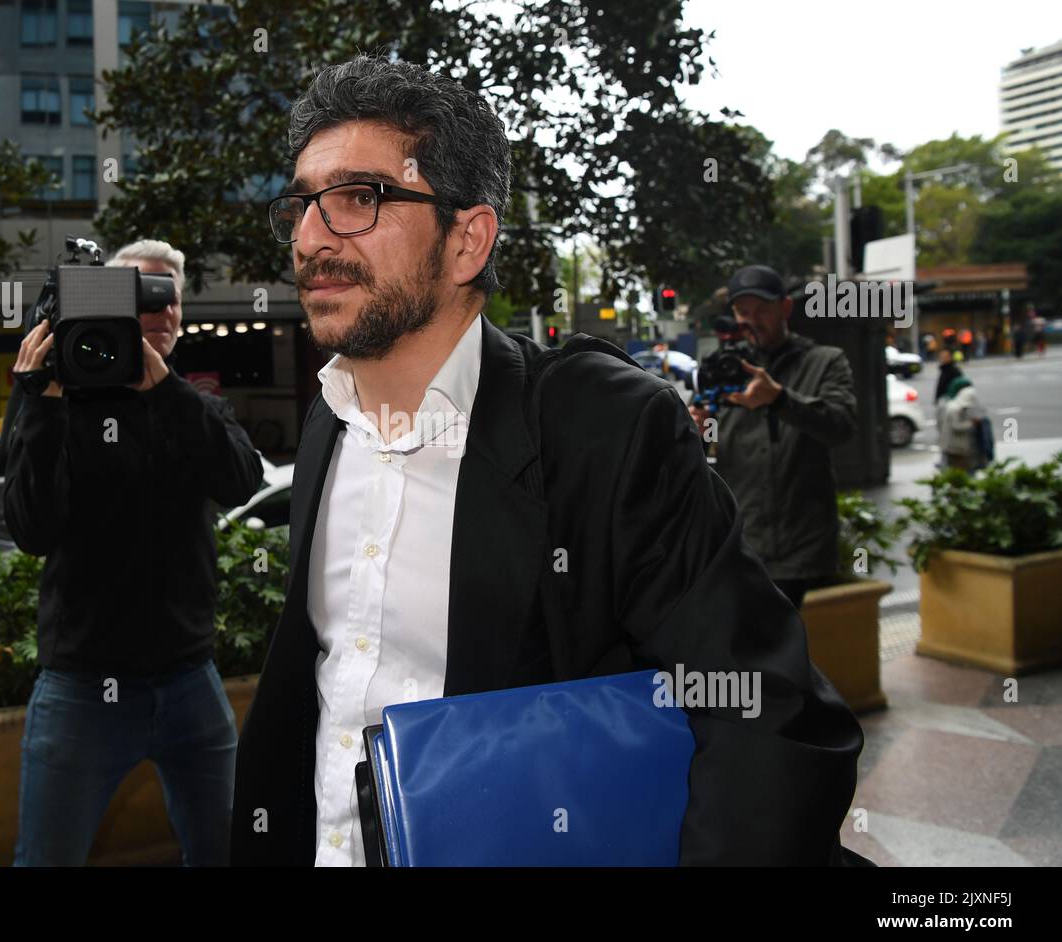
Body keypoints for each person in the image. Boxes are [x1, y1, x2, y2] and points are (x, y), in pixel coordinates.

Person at [231, 55, 864, 867]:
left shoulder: (605, 426)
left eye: (360, 198)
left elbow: (766, 714)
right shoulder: (328, 422)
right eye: (302, 204)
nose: (312, 237)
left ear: (468, 240)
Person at [1, 238, 263, 866]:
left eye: (171, 299)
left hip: (190, 679)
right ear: (102, 304)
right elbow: (32, 530)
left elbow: (242, 480)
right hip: (82, 688)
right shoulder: (59, 401)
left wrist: (164, 393)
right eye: (143, 296)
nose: (164, 312)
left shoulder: (194, 406)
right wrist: (41, 402)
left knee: (225, 852)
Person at [688, 265, 858, 612]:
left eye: (762, 309)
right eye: (742, 312)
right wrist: (698, 428)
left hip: (799, 550)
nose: (752, 319)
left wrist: (779, 399)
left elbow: (841, 426)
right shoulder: (721, 369)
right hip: (739, 543)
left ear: (785, 308)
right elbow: (703, 453)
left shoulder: (825, 361)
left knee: (780, 650)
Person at [937, 374, 988, 471]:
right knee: (959, 471)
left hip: (953, 446)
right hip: (955, 447)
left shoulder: (952, 405)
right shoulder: (955, 409)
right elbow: (956, 426)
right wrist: (972, 423)